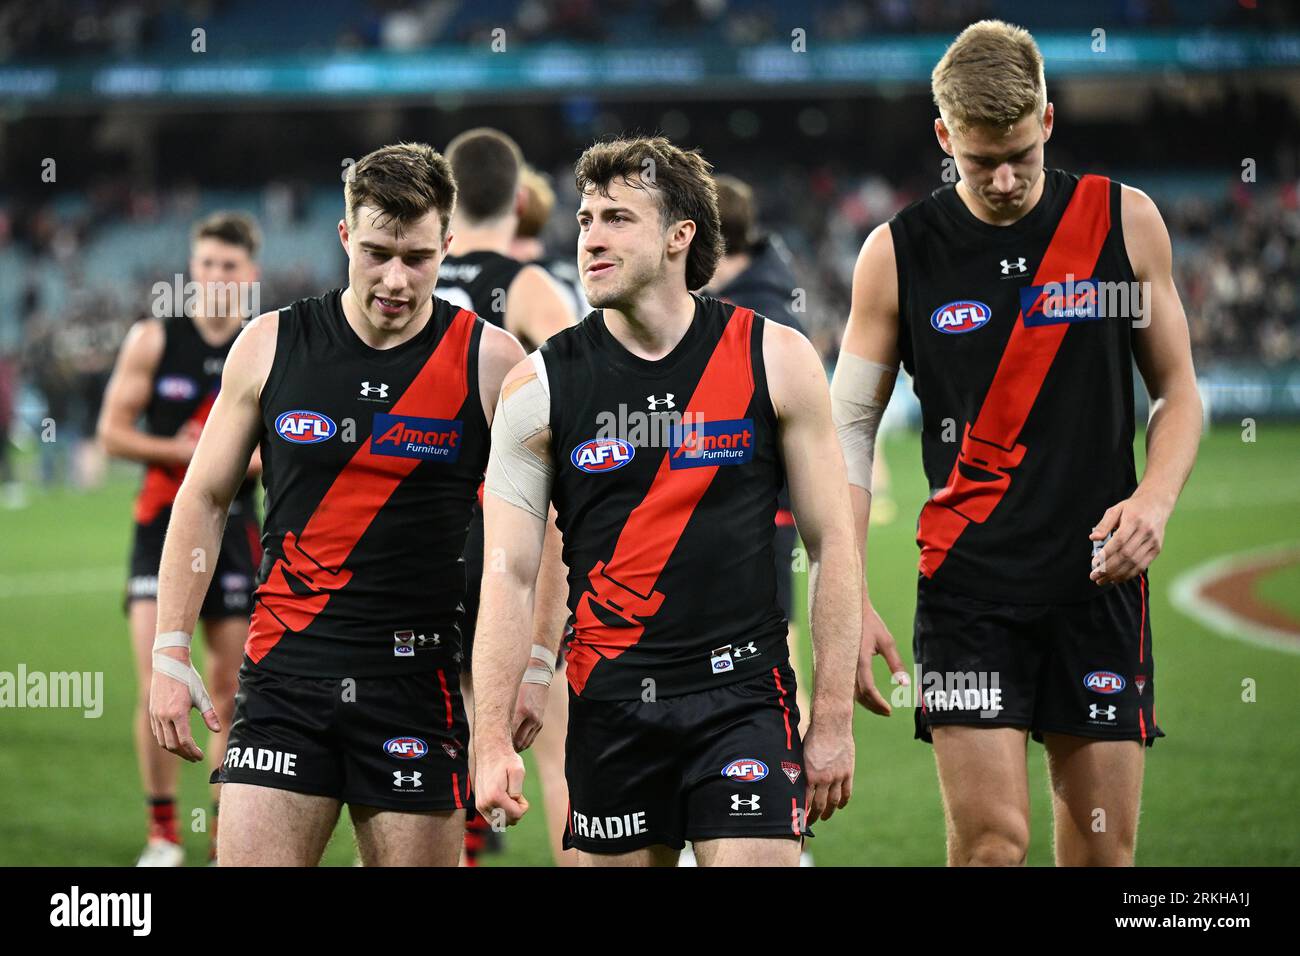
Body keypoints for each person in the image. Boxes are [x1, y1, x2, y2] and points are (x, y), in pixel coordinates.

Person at [833, 20, 1202, 866]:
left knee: (1103, 854)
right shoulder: (896, 253)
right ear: (943, 138)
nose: (1003, 181)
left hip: (1098, 584)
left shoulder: (1124, 222)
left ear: (1048, 118)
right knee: (994, 846)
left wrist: (1155, 499)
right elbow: (847, 431)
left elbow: (1178, 392)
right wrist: (847, 600)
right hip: (968, 589)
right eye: (978, 161)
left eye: (1020, 158)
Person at [473, 136, 861, 867]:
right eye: (585, 219)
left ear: (681, 235)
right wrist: (491, 732)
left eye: (618, 217)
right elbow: (509, 572)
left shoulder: (774, 357)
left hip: (743, 696)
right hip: (610, 703)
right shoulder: (539, 385)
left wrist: (833, 718)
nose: (591, 236)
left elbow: (833, 543)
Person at [148, 143, 529, 866]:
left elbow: (535, 539)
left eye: (417, 258)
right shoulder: (270, 345)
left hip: (417, 692)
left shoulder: (491, 362)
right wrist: (171, 646)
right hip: (284, 681)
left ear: (447, 244)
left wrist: (530, 671)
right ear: (346, 236)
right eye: (377, 251)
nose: (395, 278)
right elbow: (201, 496)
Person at [98, 212, 265, 866]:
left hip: (235, 533)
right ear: (191, 270)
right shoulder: (153, 339)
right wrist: (179, 451)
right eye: (206, 265)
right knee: (156, 679)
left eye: (229, 267)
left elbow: (280, 443)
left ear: (248, 274)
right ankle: (164, 834)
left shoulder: (264, 343)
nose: (216, 277)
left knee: (229, 687)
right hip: (157, 528)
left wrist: (228, 463)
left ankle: (226, 831)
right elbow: (112, 433)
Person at [433, 128, 575, 866]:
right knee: (553, 748)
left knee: (434, 741)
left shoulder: (407, 284)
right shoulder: (526, 286)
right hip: (508, 539)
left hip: (424, 539)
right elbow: (588, 389)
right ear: (519, 200)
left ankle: (466, 844)